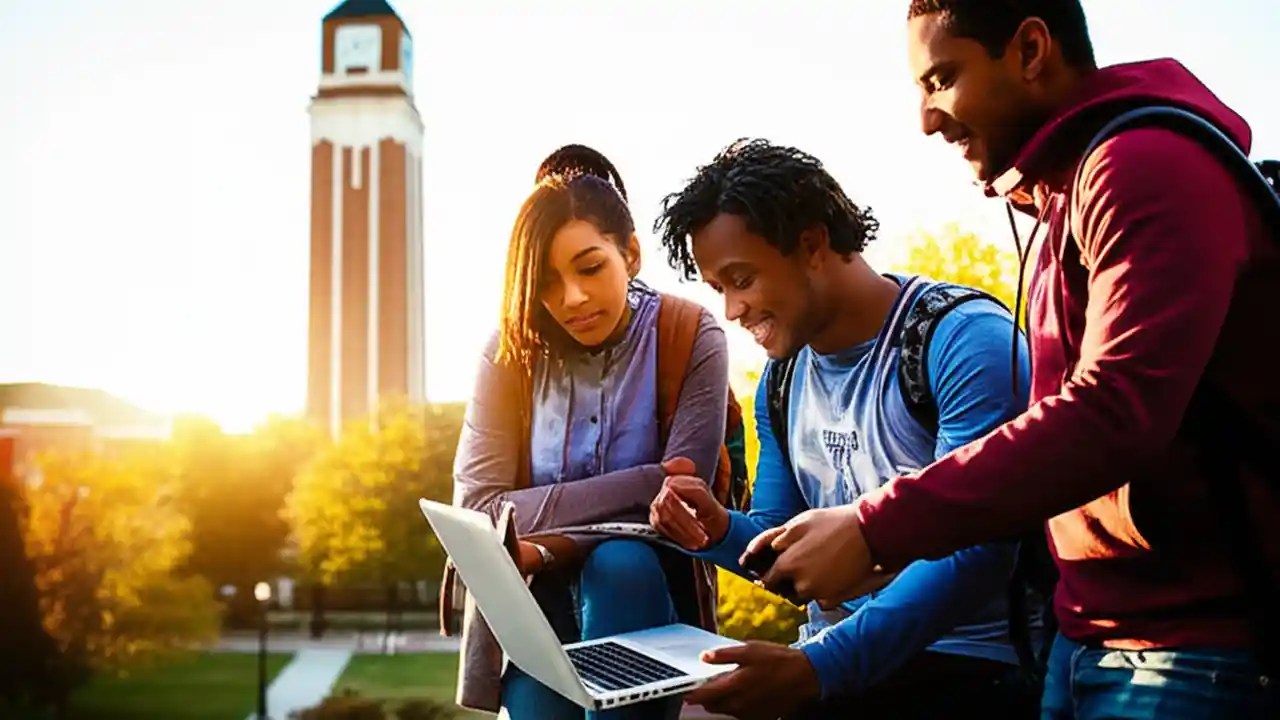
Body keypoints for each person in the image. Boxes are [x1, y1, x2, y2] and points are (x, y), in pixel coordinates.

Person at [748, 2, 1280, 718]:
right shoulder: (1065, 195)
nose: (927, 119)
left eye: (943, 78)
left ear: (1031, 49)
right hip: (1085, 633)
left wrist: (877, 526)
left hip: (1192, 652)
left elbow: (1113, 413)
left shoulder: (1143, 167)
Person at [647, 138, 1037, 719]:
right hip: (838, 670)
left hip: (971, 668)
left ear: (811, 245)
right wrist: (718, 529)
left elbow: (976, 552)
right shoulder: (781, 380)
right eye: (719, 289)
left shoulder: (961, 342)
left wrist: (822, 668)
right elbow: (781, 548)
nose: (731, 310)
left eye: (741, 278)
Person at [448, 144, 731, 720]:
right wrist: (641, 483)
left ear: (630, 252)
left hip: (644, 597)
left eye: (590, 267)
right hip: (530, 603)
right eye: (547, 282)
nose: (571, 298)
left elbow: (682, 502)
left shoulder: (690, 333)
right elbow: (477, 512)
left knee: (620, 564)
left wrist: (543, 538)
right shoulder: (509, 353)